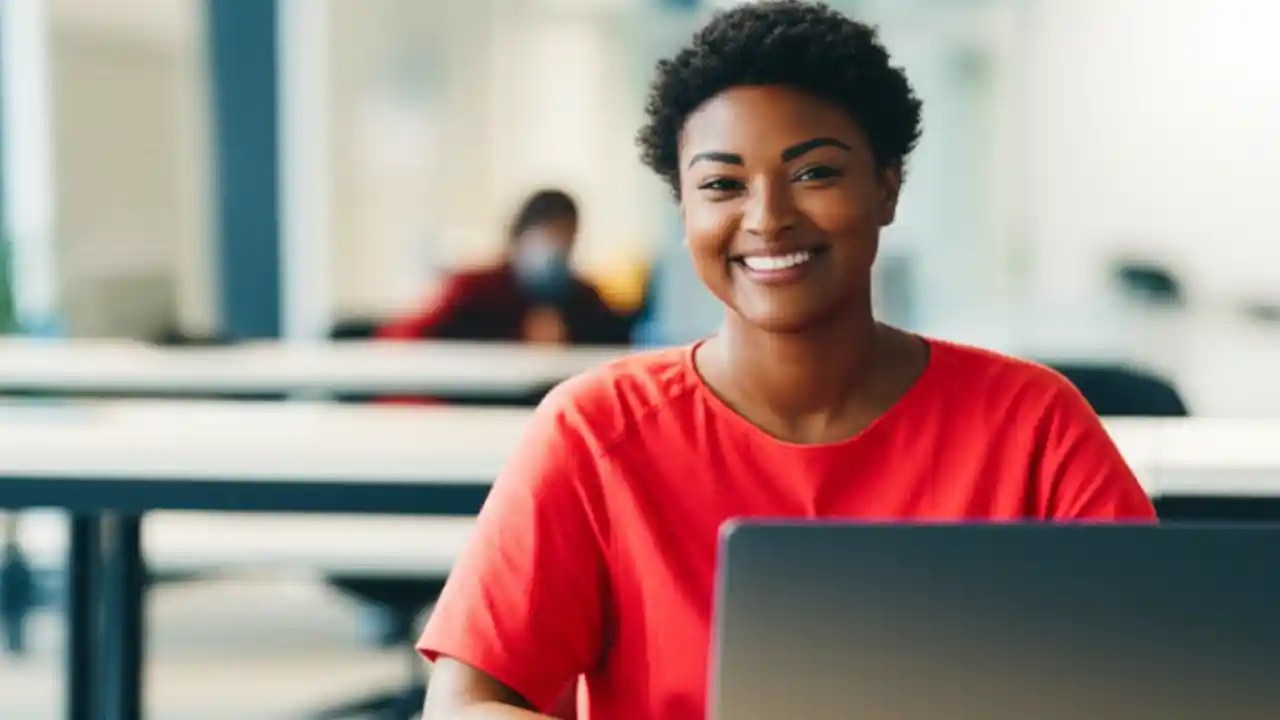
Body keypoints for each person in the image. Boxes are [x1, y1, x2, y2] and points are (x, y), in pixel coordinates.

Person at [419, 3, 1156, 719]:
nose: (767, 217)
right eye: (721, 185)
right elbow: (467, 704)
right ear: (683, 208)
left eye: (814, 174)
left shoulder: (1032, 423)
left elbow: (1155, 675)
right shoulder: (596, 430)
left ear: (887, 188)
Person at [378, 189, 630, 346]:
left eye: (566, 237)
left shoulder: (582, 297)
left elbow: (615, 347)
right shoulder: (474, 287)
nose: (557, 248)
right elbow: (404, 336)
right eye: (549, 235)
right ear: (521, 234)